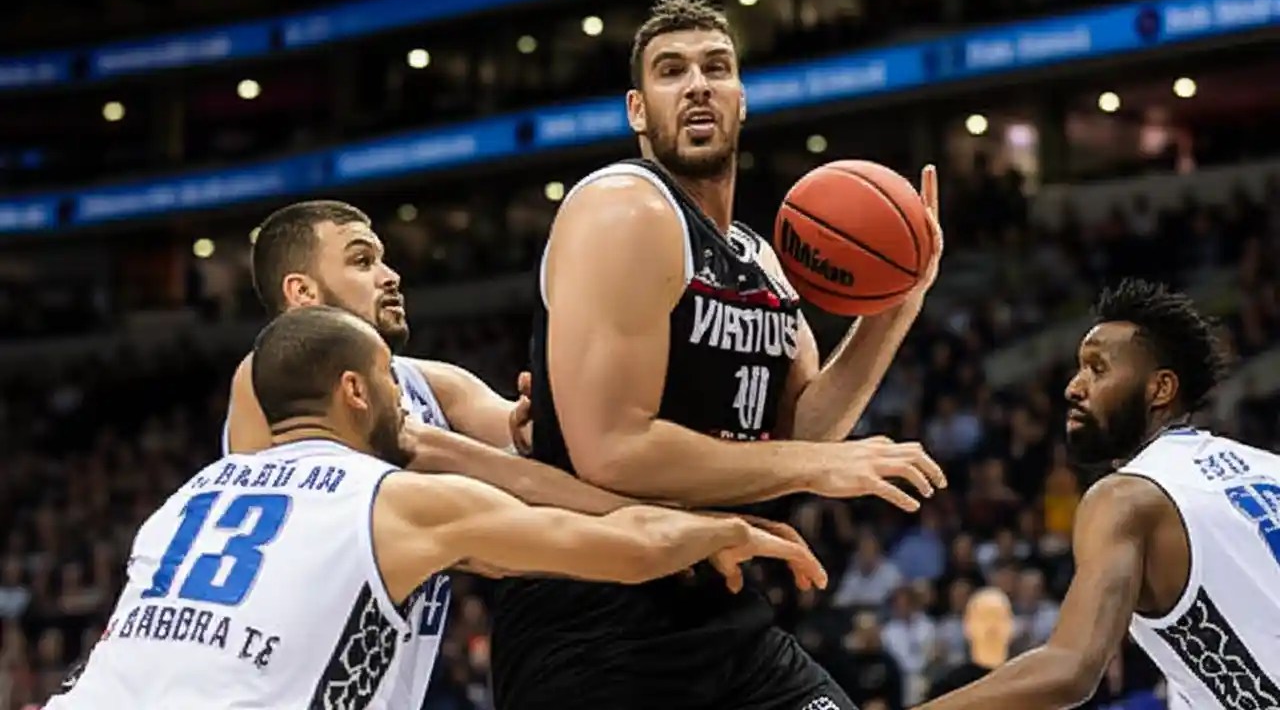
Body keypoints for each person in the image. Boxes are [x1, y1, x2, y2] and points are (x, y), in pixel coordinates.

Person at [491, 0, 948, 709]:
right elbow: (612, 451)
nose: (697, 83)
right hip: (596, 617)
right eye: (671, 71)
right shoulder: (625, 207)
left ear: (742, 100)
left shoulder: (761, 258)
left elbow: (800, 432)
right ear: (638, 110)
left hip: (721, 606)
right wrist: (821, 464)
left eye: (716, 67)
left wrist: (897, 306)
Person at [45, 306, 823, 710]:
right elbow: (624, 546)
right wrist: (727, 527)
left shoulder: (184, 500)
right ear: (354, 391)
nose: (400, 394)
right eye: (389, 378)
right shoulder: (390, 499)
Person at [916, 278, 1280, 709]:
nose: (1074, 386)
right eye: (1079, 367)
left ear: (1160, 389)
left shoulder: (1127, 497)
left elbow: (1069, 669)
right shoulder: (1267, 467)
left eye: (1098, 368)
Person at [225, 199, 651, 515]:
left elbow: (515, 437)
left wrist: (542, 426)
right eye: (361, 261)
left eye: (383, 260)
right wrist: (635, 520)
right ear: (303, 292)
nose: (390, 276)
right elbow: (458, 461)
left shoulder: (435, 384)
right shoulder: (265, 375)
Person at [924, 587, 1014, 699]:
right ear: (968, 626)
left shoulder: (1029, 682)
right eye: (984, 618)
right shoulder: (947, 688)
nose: (991, 627)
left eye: (999, 618)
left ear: (1012, 626)